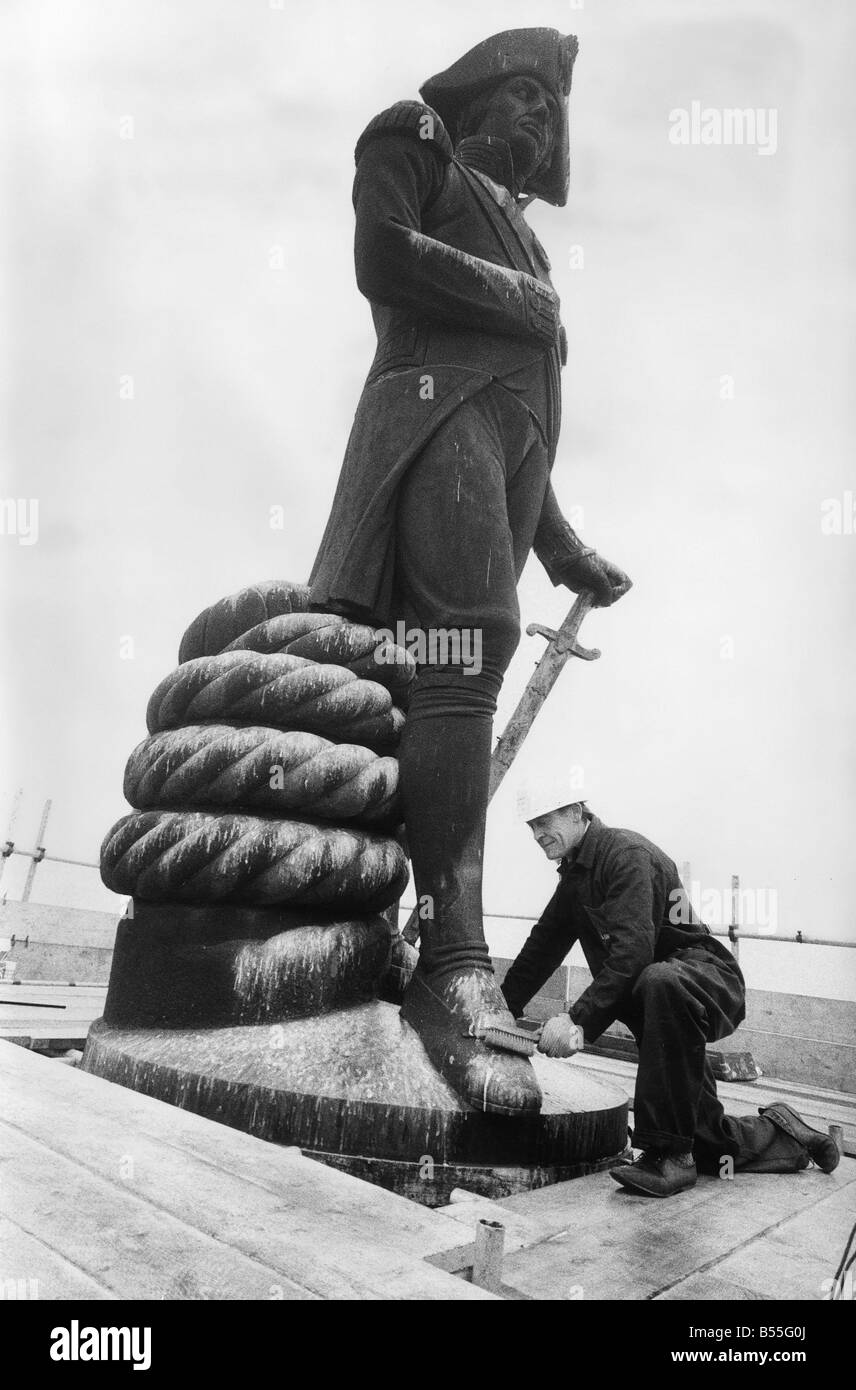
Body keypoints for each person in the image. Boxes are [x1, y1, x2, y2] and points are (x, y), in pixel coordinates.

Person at [309, 29, 631, 1116]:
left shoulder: (529, 249)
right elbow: (382, 255)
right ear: (479, 93)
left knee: (452, 654)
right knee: (471, 638)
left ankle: (417, 941)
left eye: (554, 108)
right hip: (424, 422)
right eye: (524, 95)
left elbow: (525, 433)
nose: (538, 119)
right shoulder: (417, 138)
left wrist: (564, 544)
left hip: (494, 455)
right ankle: (453, 962)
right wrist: (520, 303)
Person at [499, 789, 841, 1196]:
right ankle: (784, 1131)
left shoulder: (624, 854)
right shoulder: (576, 875)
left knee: (658, 980)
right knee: (713, 1148)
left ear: (576, 813)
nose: (538, 834)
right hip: (661, 1000)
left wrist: (577, 1022)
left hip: (700, 978)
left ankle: (668, 1156)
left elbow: (632, 952)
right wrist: (502, 1007)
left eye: (545, 821)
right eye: (532, 826)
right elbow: (544, 945)